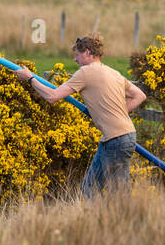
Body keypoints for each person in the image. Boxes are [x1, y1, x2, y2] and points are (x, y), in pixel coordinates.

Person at [14, 35, 146, 198]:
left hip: (116, 139)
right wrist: (116, 113)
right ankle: (100, 220)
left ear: (88, 52)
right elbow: (140, 95)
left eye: (77, 54)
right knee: (91, 189)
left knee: (110, 193)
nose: (75, 59)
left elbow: (52, 97)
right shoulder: (113, 73)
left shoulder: (85, 72)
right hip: (121, 137)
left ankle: (114, 221)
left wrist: (30, 79)